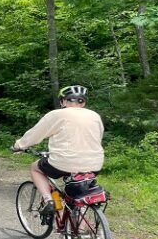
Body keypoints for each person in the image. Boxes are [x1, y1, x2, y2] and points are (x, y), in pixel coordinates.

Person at [11, 85, 104, 216]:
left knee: (35, 168)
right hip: (95, 163)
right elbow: (96, 138)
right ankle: (81, 230)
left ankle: (49, 200)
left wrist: (19, 145)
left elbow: (35, 134)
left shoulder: (57, 114)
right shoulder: (95, 116)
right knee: (79, 193)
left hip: (64, 162)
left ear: (63, 101)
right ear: (83, 102)